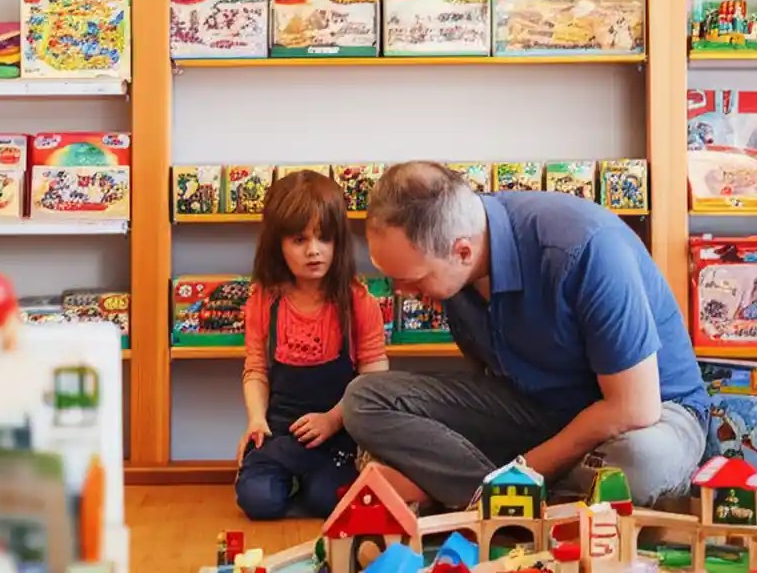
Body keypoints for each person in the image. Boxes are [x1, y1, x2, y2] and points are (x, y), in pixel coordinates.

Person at [343, 161, 709, 510]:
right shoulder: (453, 265)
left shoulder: (586, 246)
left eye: (411, 280)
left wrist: (524, 469)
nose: (402, 293)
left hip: (650, 415)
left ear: (463, 251)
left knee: (641, 460)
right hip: (540, 409)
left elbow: (634, 408)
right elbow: (489, 382)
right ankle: (505, 498)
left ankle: (491, 497)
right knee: (363, 399)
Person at [235, 171, 391, 520]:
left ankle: (305, 485)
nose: (313, 251)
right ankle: (287, 481)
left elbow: (374, 380)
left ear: (339, 241)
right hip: (280, 432)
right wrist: (256, 419)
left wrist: (333, 419)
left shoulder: (358, 302)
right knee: (257, 499)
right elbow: (256, 368)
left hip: (339, 434)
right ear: (277, 245)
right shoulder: (264, 299)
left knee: (328, 500)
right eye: (299, 240)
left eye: (324, 238)